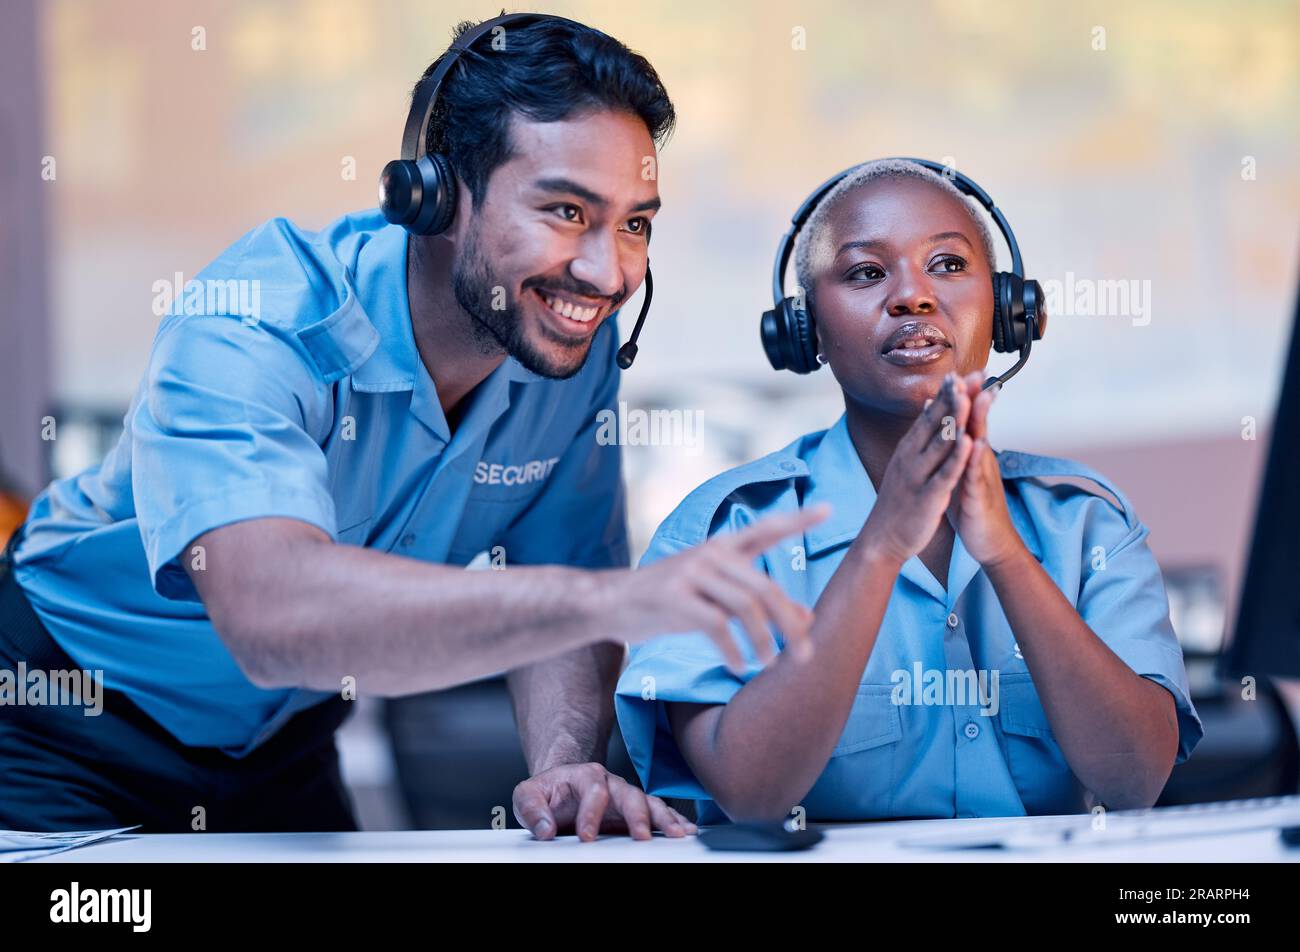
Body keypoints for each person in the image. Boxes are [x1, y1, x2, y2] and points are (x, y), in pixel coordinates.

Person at [0, 13, 819, 838]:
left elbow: (563, 570)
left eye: (634, 223)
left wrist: (567, 761)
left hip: (278, 739)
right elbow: (273, 617)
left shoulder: (563, 341)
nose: (608, 274)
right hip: (63, 716)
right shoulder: (256, 320)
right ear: (435, 195)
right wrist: (623, 598)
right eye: (568, 211)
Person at [616, 159, 1203, 823]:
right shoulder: (722, 533)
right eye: (867, 272)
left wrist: (1008, 555)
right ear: (806, 331)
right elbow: (747, 791)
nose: (913, 297)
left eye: (948, 265)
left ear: (1008, 309)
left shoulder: (1087, 524)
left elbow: (1135, 781)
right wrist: (880, 545)